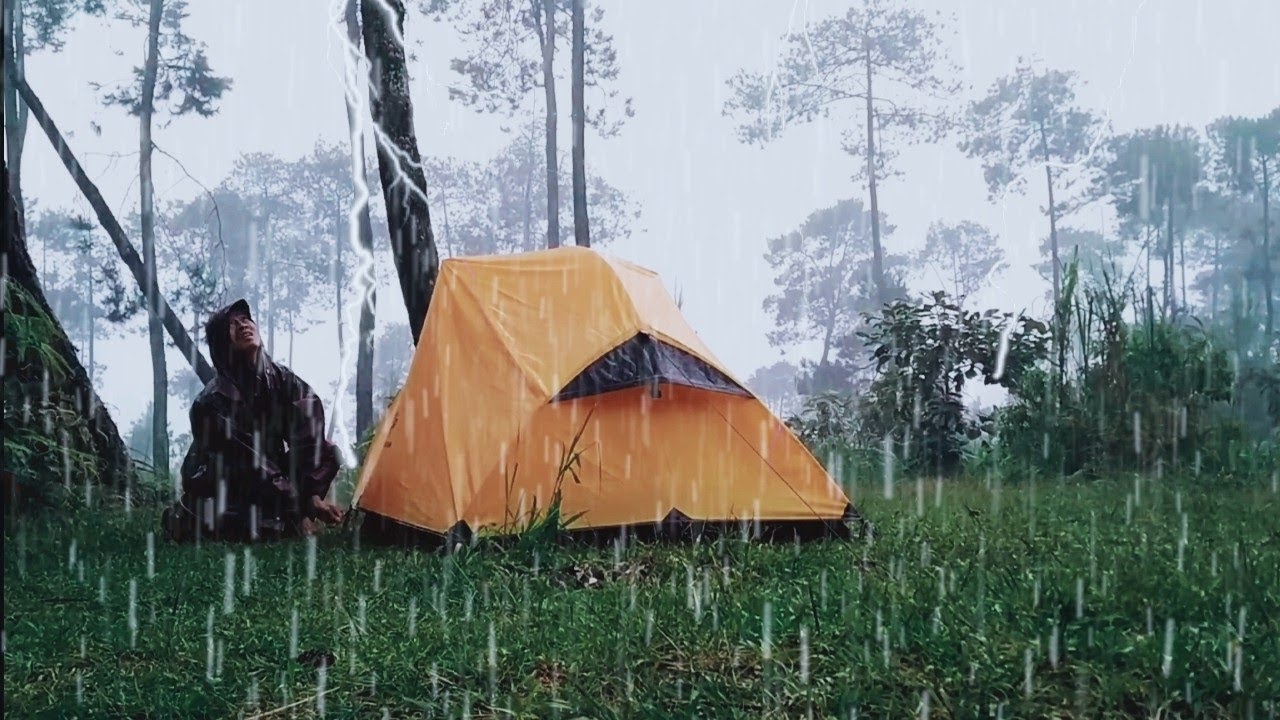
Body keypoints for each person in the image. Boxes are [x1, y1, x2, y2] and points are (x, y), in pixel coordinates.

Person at [162, 299, 344, 542]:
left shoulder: (283, 380)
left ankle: (285, 518)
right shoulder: (211, 403)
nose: (243, 326)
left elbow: (309, 435)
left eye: (245, 320)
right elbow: (250, 465)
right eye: (232, 324)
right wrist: (299, 507)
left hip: (272, 472)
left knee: (329, 452)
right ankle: (189, 518)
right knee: (253, 525)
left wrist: (310, 497)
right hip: (224, 481)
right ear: (221, 344)